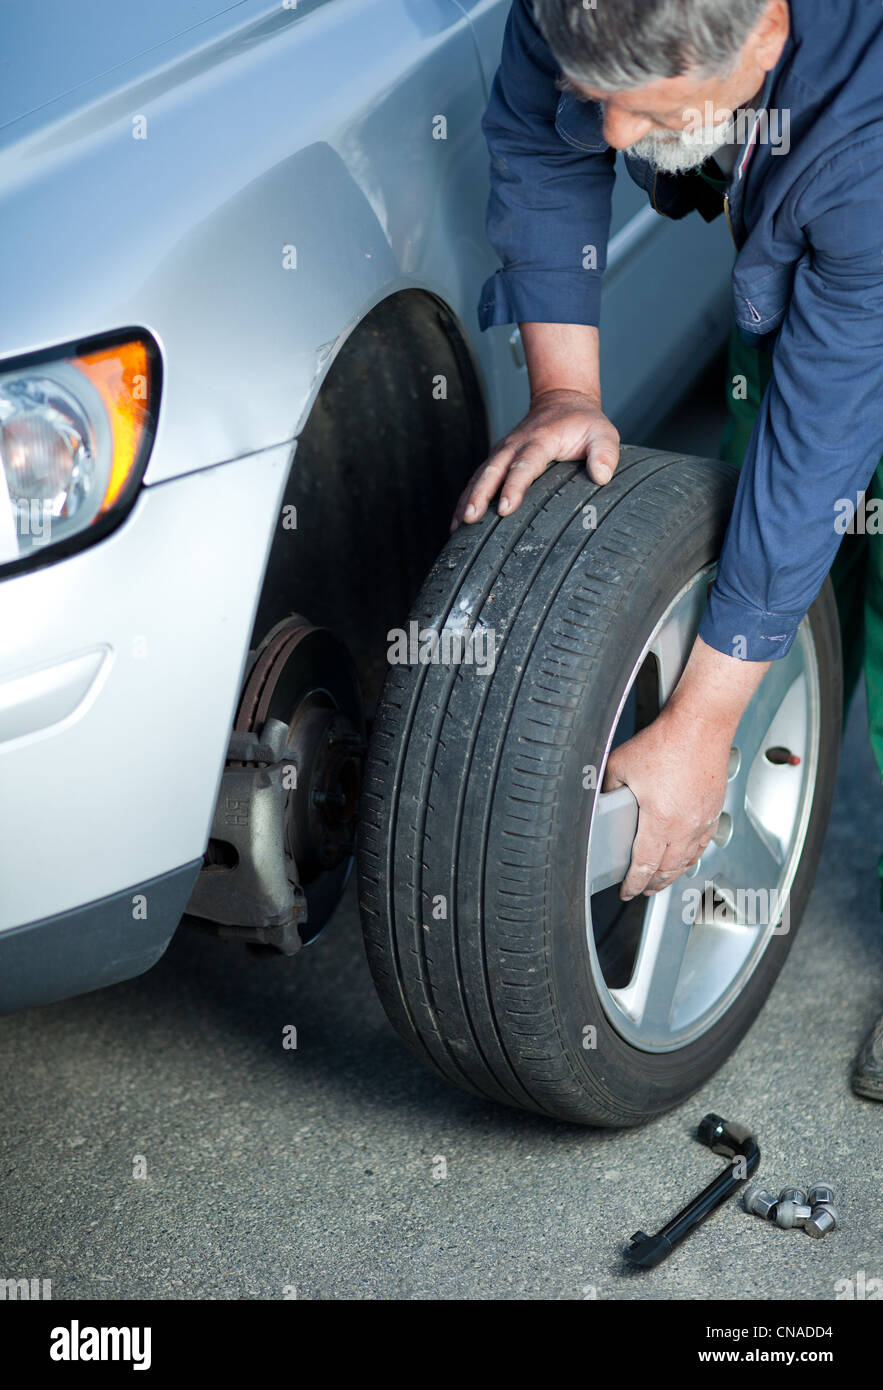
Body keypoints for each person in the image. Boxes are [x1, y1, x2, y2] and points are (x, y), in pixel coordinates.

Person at [451, 0, 883, 1100]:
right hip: (823, 239)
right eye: (600, 96)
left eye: (641, 112)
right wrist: (565, 393)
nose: (607, 134)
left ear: (766, 35)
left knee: (808, 508)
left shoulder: (861, 136)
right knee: (765, 541)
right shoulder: (584, 8)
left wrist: (700, 725)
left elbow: (818, 429)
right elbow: (545, 144)